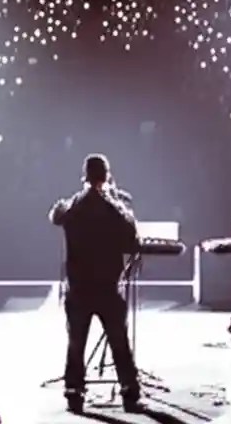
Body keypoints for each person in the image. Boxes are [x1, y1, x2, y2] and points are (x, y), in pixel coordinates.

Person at [49, 154, 142, 413]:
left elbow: (56, 216)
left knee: (76, 342)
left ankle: (74, 391)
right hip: (106, 286)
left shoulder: (73, 206)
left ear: (85, 176)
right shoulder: (113, 209)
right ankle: (129, 391)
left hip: (79, 286)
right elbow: (131, 241)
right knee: (119, 341)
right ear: (107, 175)